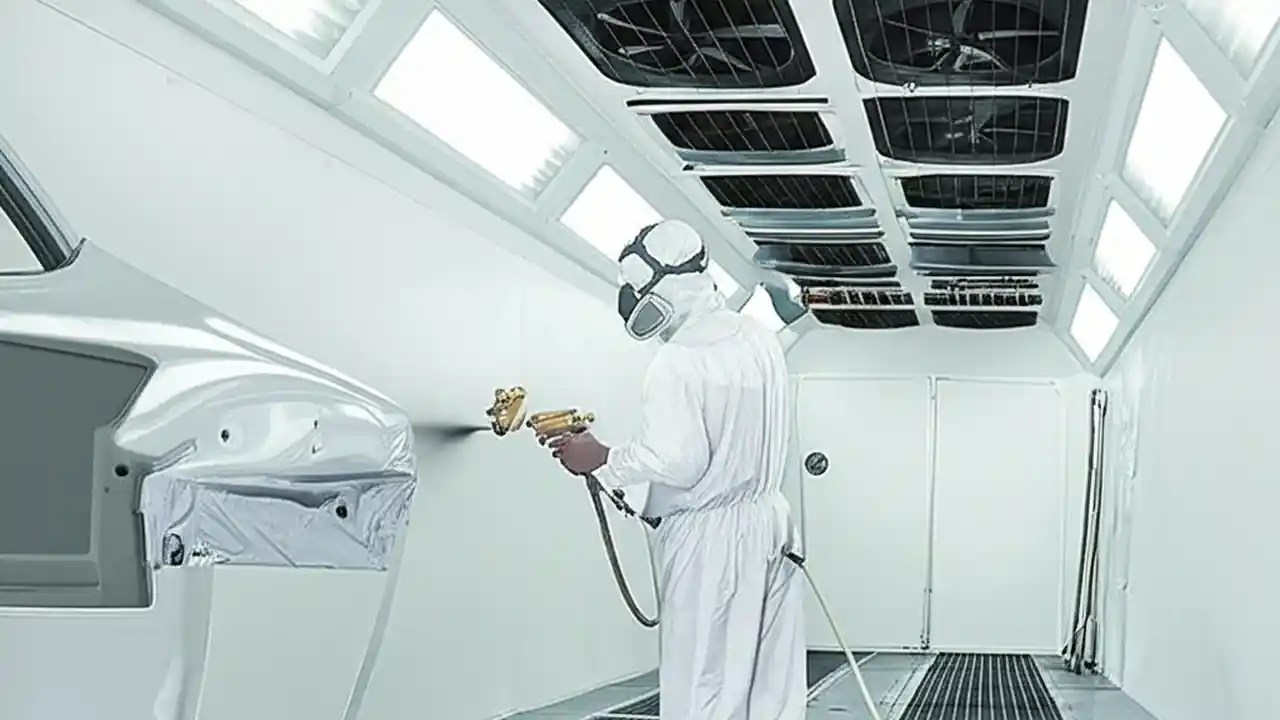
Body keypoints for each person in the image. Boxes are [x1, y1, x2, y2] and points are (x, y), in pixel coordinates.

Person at [547, 219, 805, 719]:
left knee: (702, 683)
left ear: (659, 286)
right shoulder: (759, 339)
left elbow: (678, 462)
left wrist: (601, 457)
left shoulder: (677, 360)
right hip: (773, 525)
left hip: (712, 543)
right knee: (769, 684)